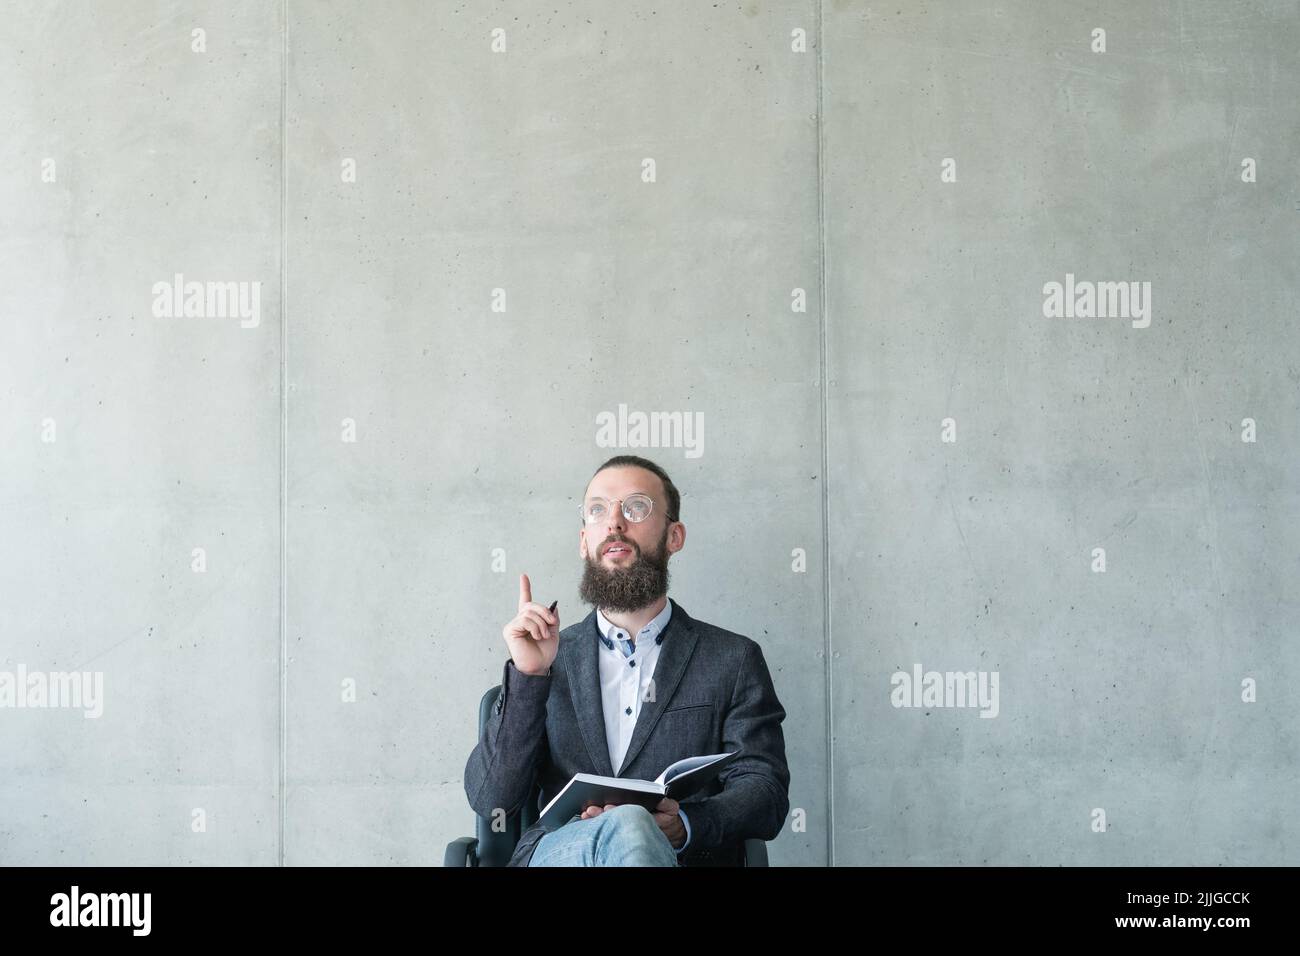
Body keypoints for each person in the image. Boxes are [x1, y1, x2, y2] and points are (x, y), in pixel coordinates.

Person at [463, 454, 791, 866]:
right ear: (585, 539)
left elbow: (765, 793)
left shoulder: (732, 659)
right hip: (563, 853)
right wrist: (530, 677)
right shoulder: (547, 660)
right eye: (598, 510)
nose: (615, 522)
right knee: (630, 824)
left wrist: (685, 824)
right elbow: (490, 798)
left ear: (675, 536)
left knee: (632, 824)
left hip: (679, 859)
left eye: (636, 507)